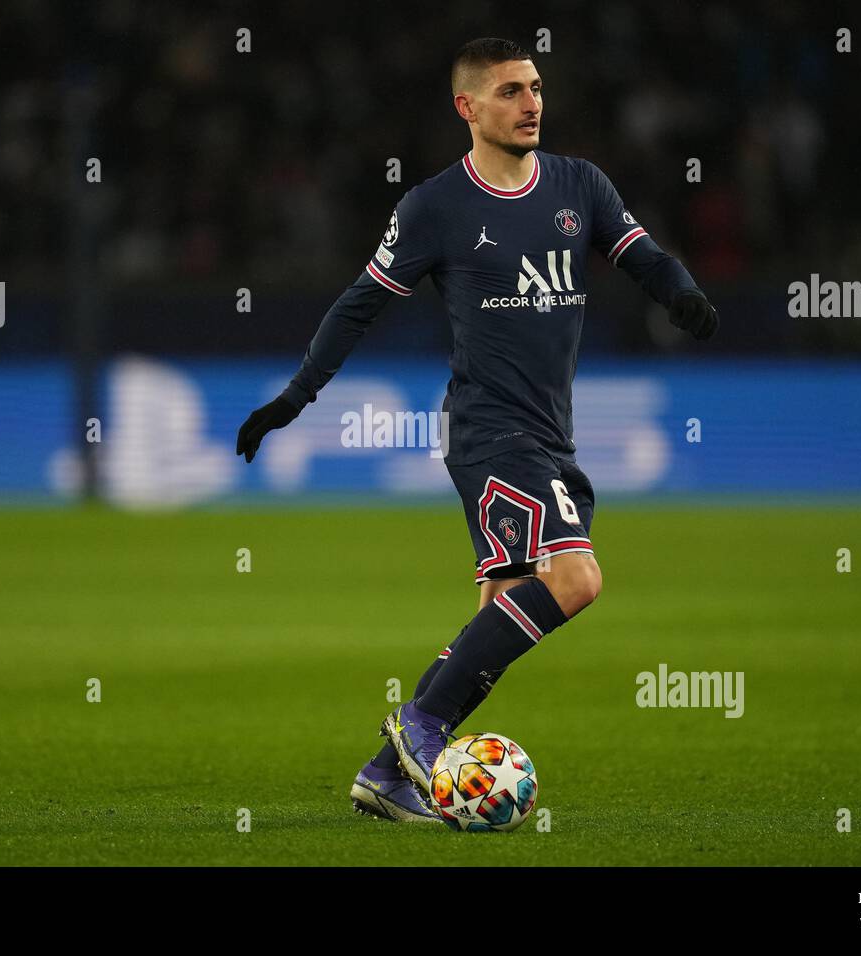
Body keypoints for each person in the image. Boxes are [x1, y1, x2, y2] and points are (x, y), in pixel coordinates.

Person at [236, 37, 718, 823]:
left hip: (550, 435)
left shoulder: (579, 185)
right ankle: (418, 726)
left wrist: (683, 293)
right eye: (509, 91)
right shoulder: (434, 207)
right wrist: (296, 397)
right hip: (489, 431)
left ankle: (386, 774)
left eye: (535, 87)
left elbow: (644, 255)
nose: (531, 103)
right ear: (467, 107)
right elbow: (358, 304)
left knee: (502, 608)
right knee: (576, 580)